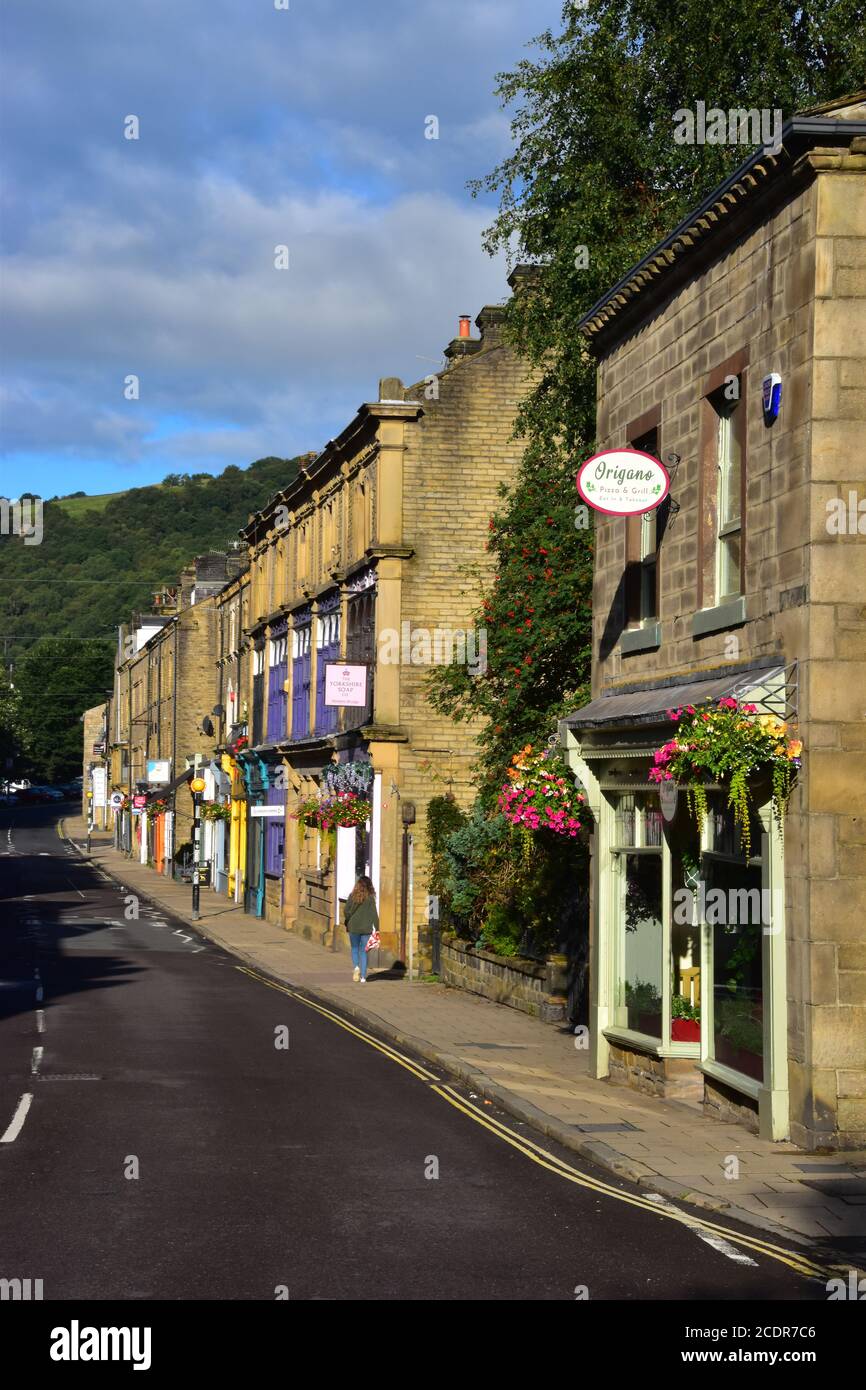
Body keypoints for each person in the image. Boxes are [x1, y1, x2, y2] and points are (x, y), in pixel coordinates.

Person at [344, 875, 378, 983]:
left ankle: (356, 968)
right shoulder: (370, 899)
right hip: (366, 928)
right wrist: (377, 928)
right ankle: (363, 977)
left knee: (354, 948)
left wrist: (348, 919)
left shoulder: (352, 896)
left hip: (353, 927)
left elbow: (346, 911)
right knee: (363, 951)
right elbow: (374, 915)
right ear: (369, 886)